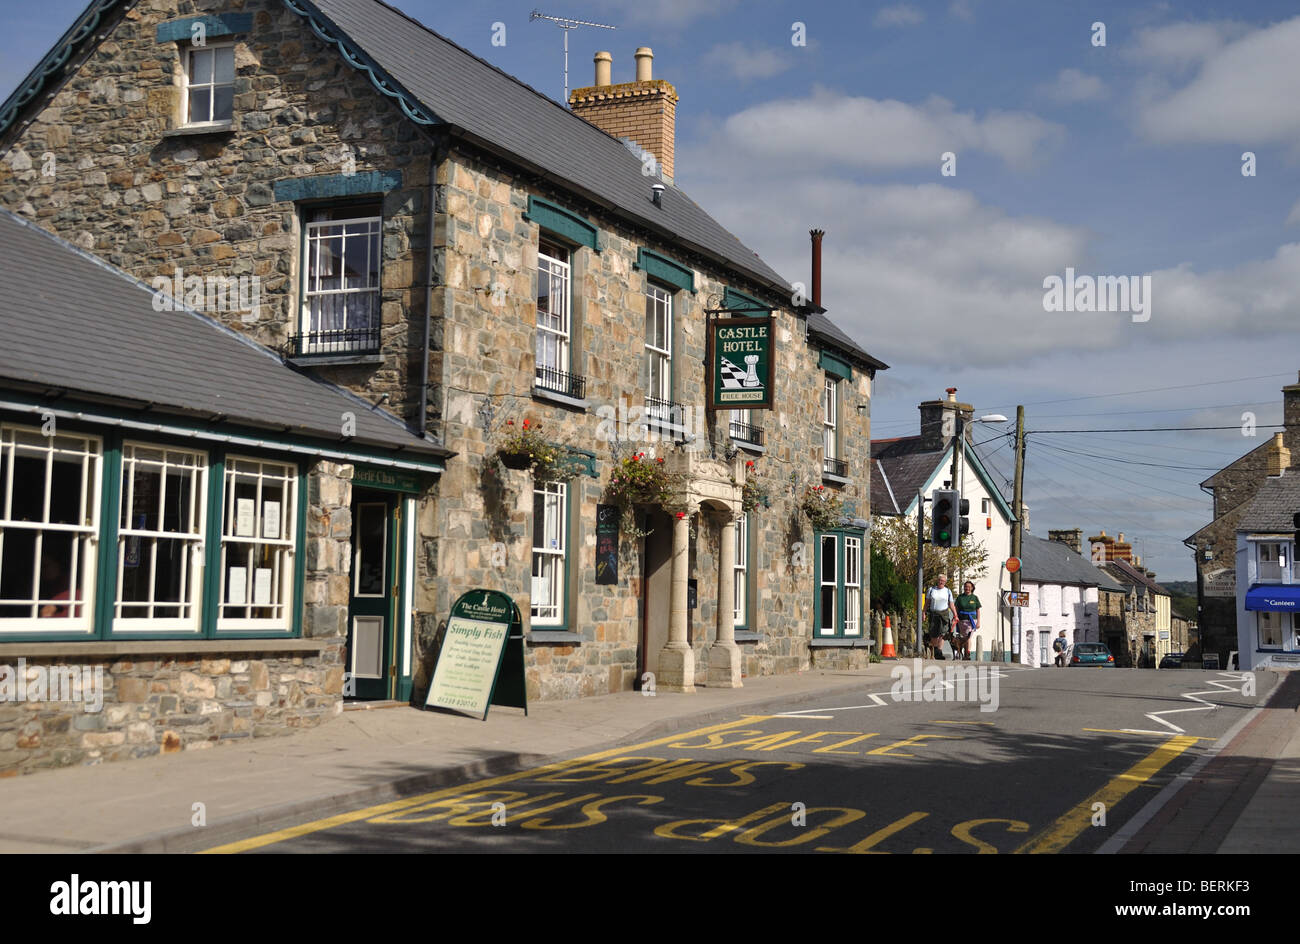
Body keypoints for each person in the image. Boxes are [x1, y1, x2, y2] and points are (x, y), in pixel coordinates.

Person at [924, 574, 957, 659]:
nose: (941, 582)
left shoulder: (948, 591)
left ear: (945, 582)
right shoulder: (931, 590)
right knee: (933, 633)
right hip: (934, 613)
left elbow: (951, 604)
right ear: (937, 580)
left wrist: (955, 615)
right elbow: (927, 602)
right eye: (940, 580)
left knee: (943, 633)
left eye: (943, 581)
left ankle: (939, 651)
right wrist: (923, 612)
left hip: (944, 614)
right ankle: (935, 650)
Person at [954, 580, 981, 661]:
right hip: (962, 620)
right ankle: (963, 653)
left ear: (972, 588)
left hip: (972, 620)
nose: (967, 588)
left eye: (969, 587)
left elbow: (978, 610)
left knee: (968, 637)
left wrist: (978, 621)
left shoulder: (974, 598)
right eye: (966, 587)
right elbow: (956, 608)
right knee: (964, 637)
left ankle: (967, 653)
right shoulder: (960, 597)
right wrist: (955, 617)